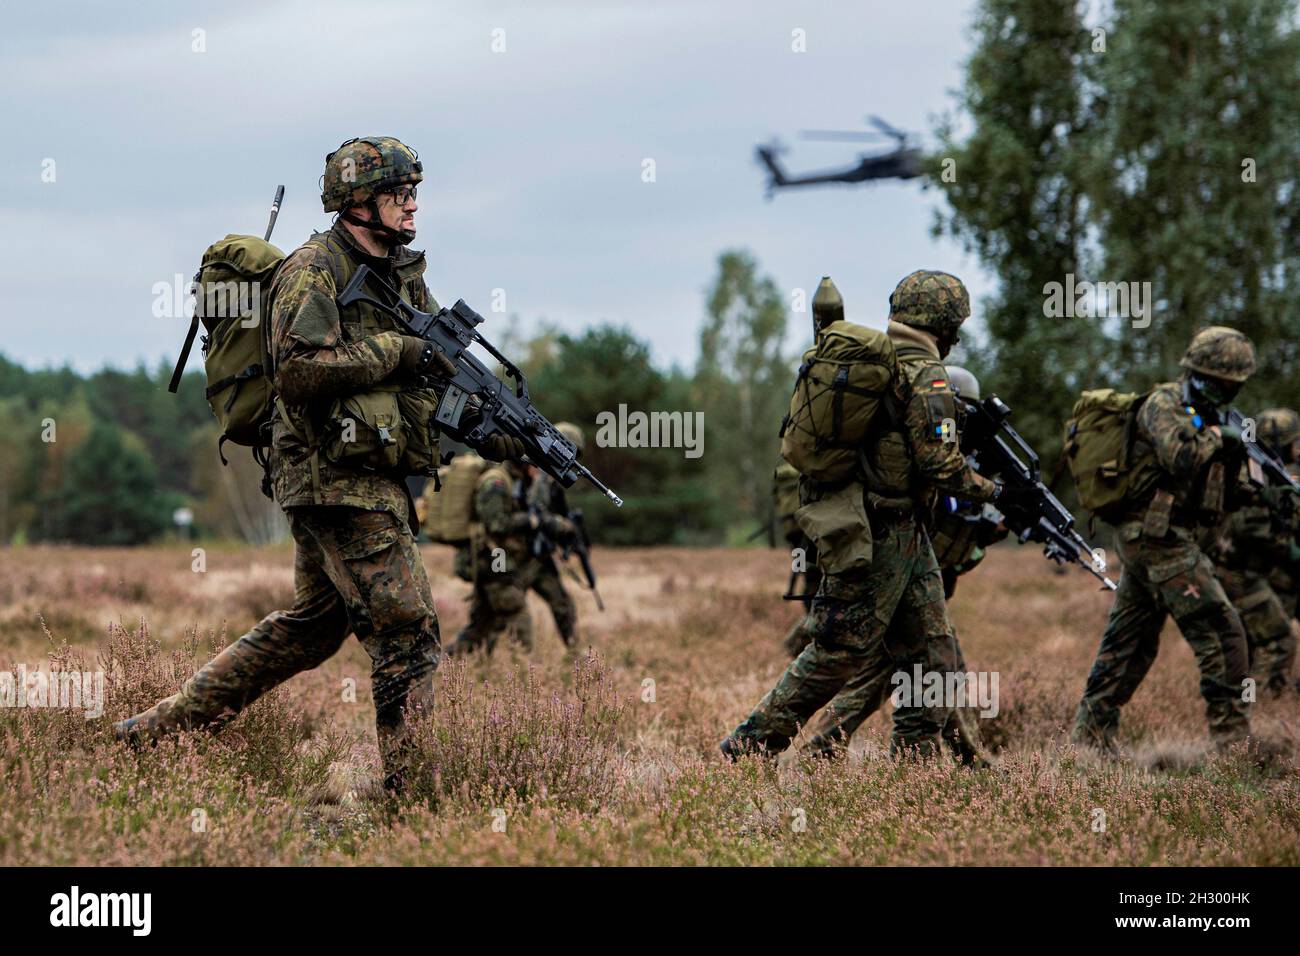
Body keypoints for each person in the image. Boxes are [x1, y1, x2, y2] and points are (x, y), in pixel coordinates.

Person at [115, 136, 522, 793]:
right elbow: (298, 372)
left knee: (311, 631)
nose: (412, 204)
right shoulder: (312, 270)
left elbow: (429, 373)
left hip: (373, 473)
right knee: (409, 636)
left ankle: (154, 733)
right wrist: (396, 353)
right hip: (331, 478)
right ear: (359, 203)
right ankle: (416, 805)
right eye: (399, 194)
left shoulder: (403, 272)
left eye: (414, 192)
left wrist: (492, 430)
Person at [721, 270, 1012, 761]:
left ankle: (915, 764)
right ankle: (750, 744)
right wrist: (996, 491)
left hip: (898, 530)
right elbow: (942, 467)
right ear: (945, 325)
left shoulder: (883, 360)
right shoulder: (927, 376)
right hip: (880, 531)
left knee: (931, 651)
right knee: (840, 650)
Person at [1071, 326, 1257, 752]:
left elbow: (1235, 493)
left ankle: (1088, 742)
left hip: (1165, 541)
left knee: (1131, 642)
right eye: (1220, 384)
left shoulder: (1221, 419)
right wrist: (1218, 439)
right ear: (1201, 375)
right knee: (1222, 631)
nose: (1225, 394)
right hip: (1156, 538)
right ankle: (1232, 746)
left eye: (1232, 388)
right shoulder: (1164, 404)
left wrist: (1251, 472)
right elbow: (1181, 455)